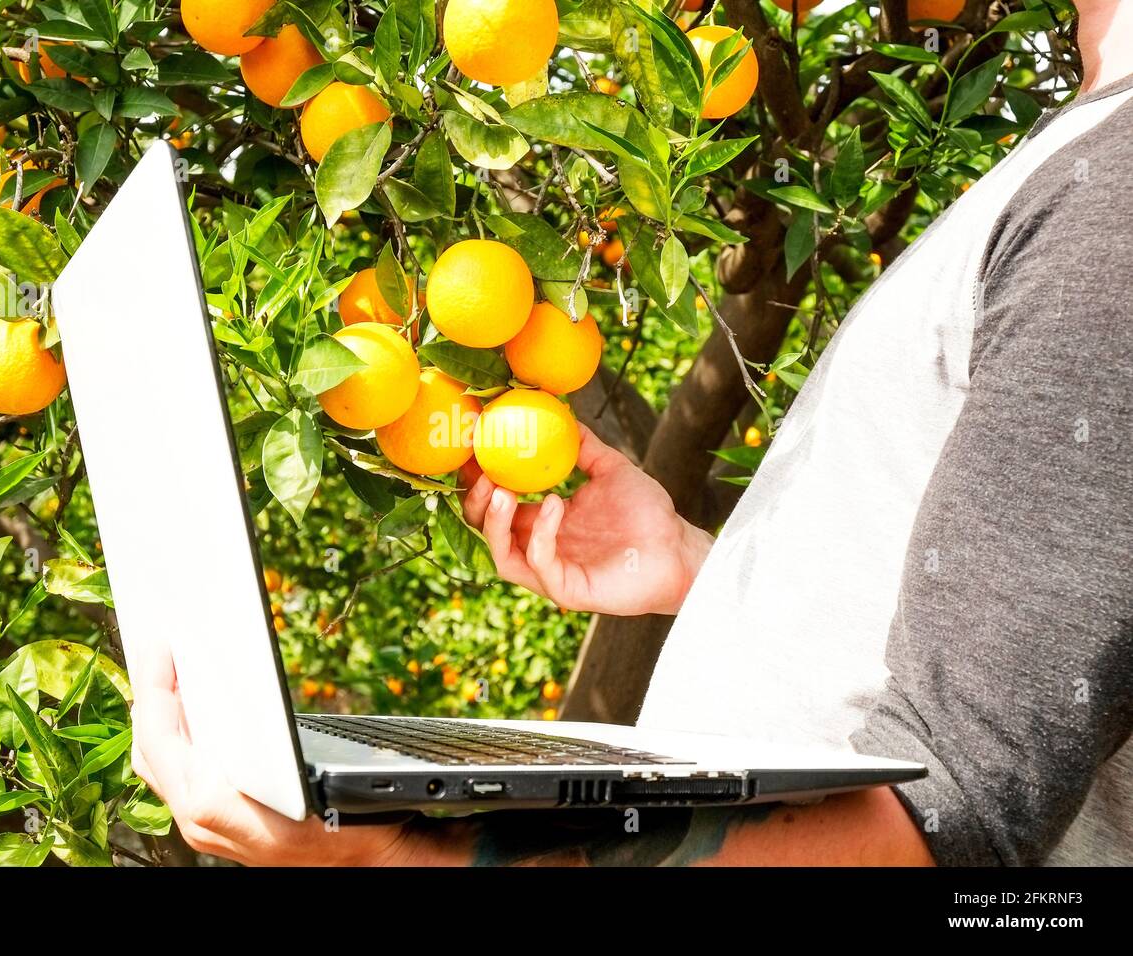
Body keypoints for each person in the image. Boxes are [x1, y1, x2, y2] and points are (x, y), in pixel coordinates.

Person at [131, 0, 1133, 866]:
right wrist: (711, 570)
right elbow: (1001, 631)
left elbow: (950, 815)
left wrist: (401, 857)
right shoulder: (1075, 163)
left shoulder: (1115, 198)